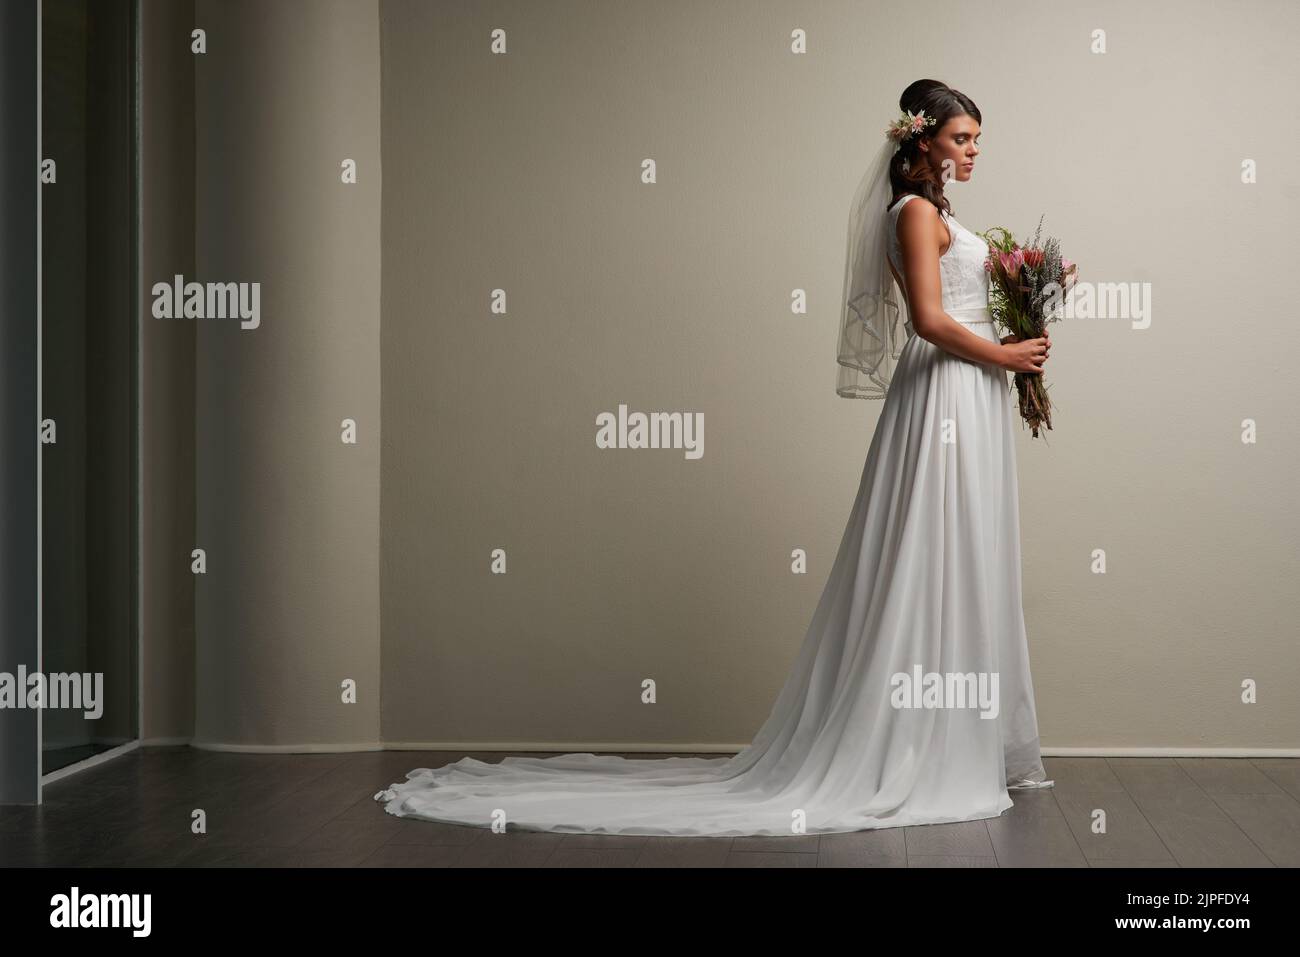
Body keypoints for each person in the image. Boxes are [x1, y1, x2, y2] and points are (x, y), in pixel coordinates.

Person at [374, 79, 1054, 838]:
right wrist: (1006, 350)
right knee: (934, 551)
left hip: (974, 391)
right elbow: (928, 321)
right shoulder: (915, 212)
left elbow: (966, 301)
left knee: (967, 549)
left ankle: (959, 736)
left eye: (976, 141)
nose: (972, 152)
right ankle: (915, 745)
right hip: (945, 395)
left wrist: (1032, 300)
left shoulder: (939, 215)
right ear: (922, 139)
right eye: (962, 139)